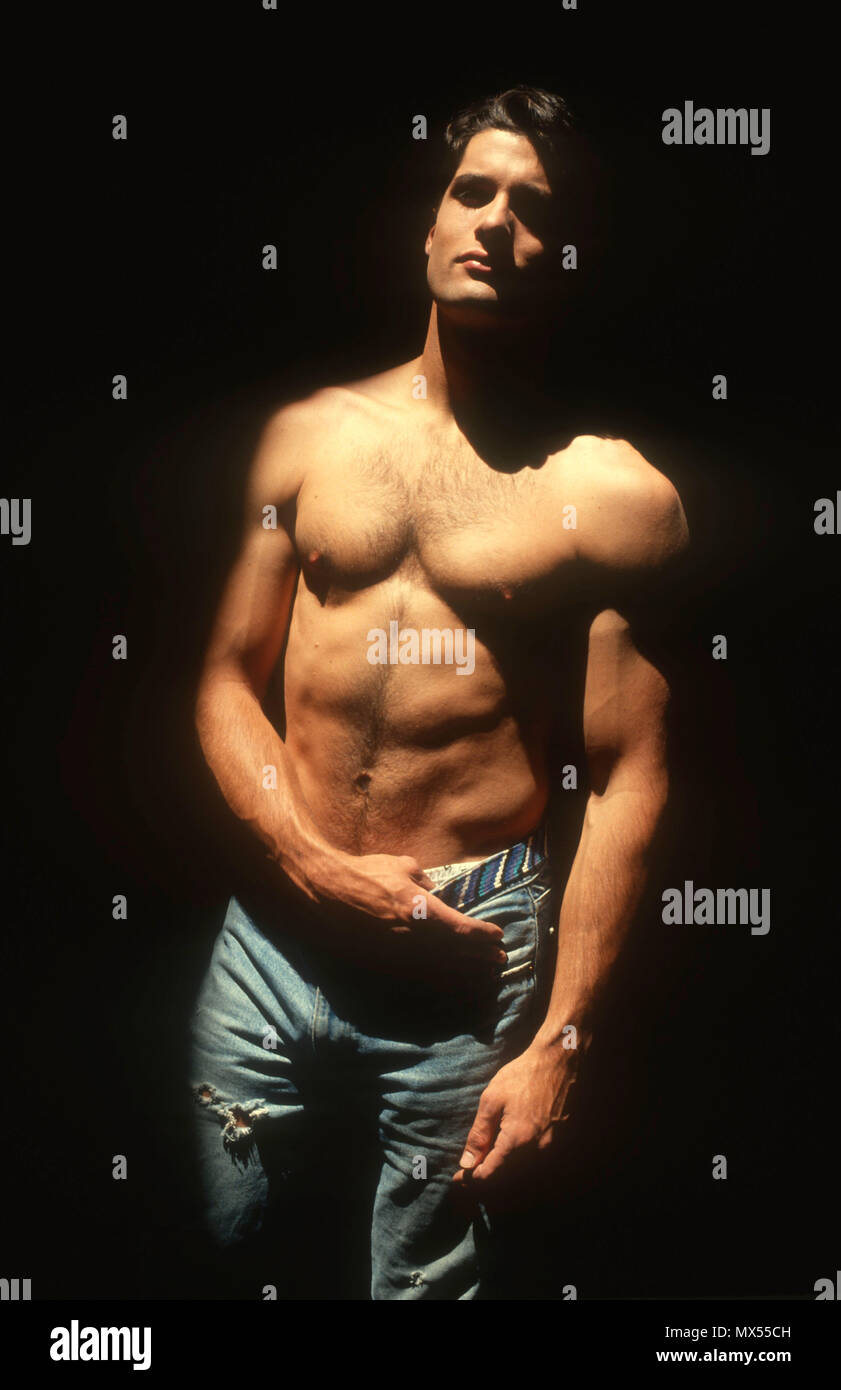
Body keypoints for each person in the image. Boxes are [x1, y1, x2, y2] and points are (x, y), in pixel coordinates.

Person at [188, 85, 689, 1300]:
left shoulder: (620, 497)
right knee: (218, 1244)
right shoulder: (305, 436)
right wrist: (310, 865)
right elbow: (219, 681)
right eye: (473, 191)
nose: (496, 223)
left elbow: (628, 779)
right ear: (427, 224)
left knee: (423, 1290)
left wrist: (561, 1042)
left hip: (468, 957)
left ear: (569, 256)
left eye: (535, 208)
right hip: (273, 928)